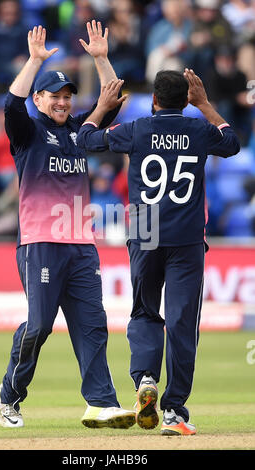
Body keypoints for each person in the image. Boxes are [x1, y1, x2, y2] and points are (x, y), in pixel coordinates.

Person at [76, 69, 240, 435]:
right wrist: (206, 106)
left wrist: (101, 107)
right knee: (182, 323)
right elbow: (231, 143)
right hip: (185, 236)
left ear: (153, 100)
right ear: (186, 100)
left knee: (145, 310)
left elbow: (85, 139)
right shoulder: (199, 130)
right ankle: (173, 412)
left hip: (145, 229)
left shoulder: (136, 129)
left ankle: (146, 378)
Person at [0, 21, 135, 430]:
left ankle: (101, 403)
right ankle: (10, 394)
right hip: (40, 242)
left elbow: (113, 100)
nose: (62, 102)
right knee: (39, 325)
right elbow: (10, 104)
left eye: (67, 96)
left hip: (81, 245)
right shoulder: (27, 131)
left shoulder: (79, 132)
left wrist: (101, 58)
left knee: (93, 325)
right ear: (39, 98)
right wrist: (34, 61)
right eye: (54, 96)